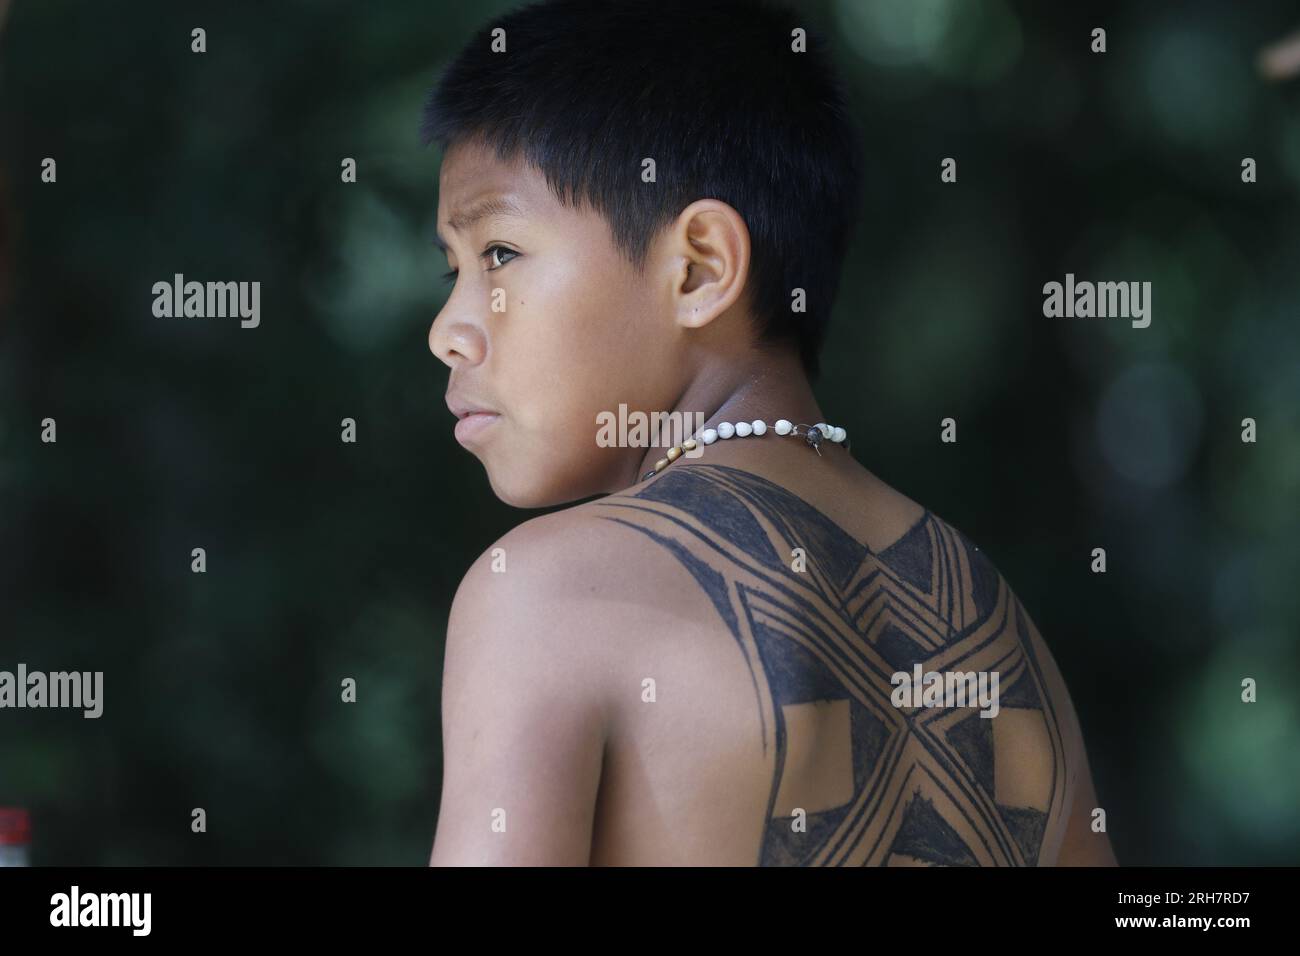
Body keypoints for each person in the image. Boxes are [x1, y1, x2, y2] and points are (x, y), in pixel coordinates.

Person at [423, 0, 1116, 866]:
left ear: (700, 267)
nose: (449, 329)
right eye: (452, 269)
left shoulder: (543, 592)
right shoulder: (995, 623)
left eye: (498, 254)